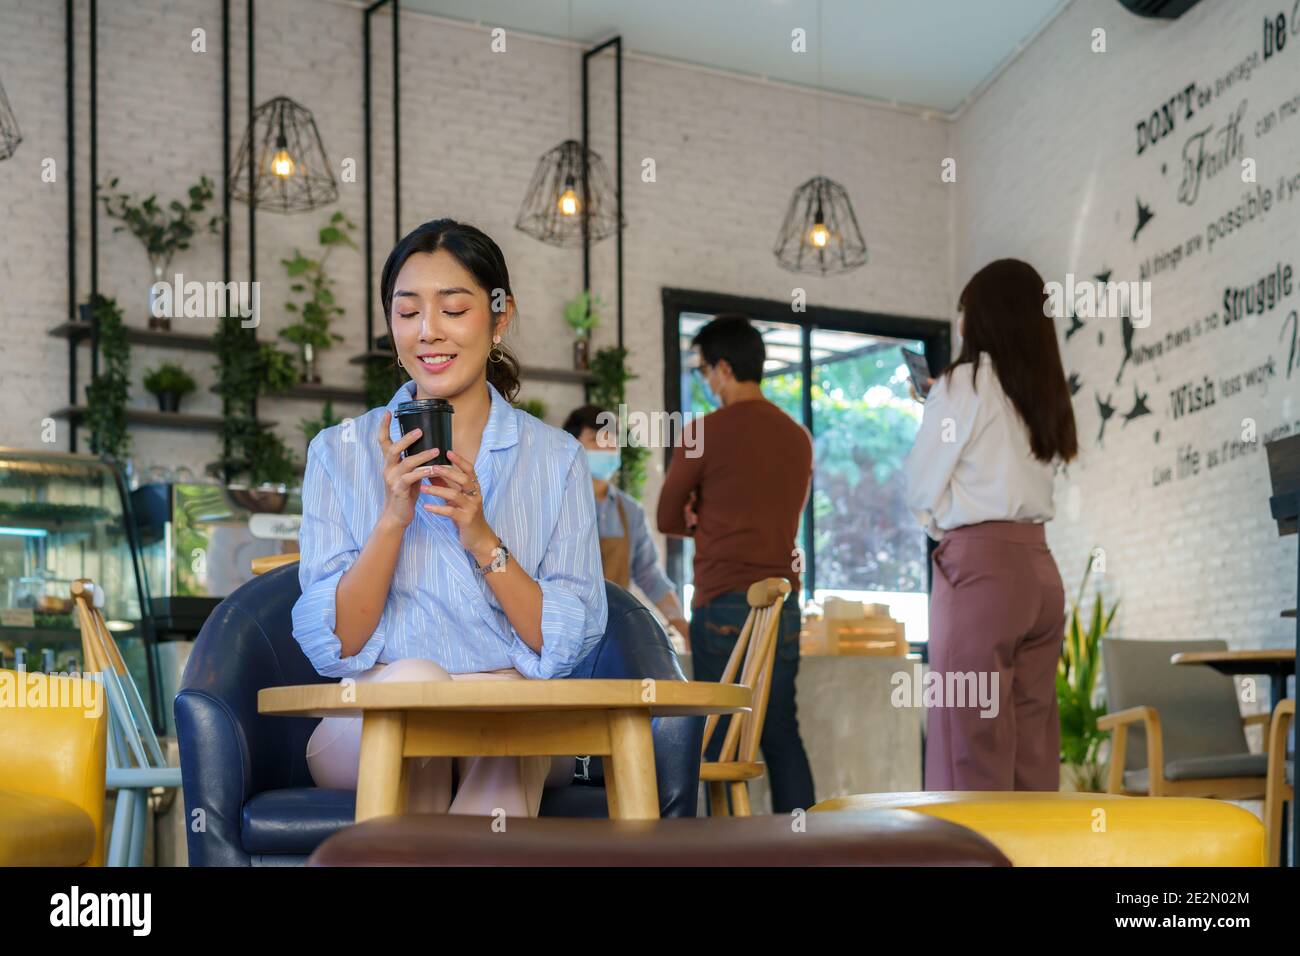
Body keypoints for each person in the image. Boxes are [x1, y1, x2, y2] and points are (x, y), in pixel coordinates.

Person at [291, 219, 607, 817]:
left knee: (508, 716)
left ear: (498, 316)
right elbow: (337, 644)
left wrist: (482, 538)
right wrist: (392, 519)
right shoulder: (338, 452)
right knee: (418, 684)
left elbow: (563, 646)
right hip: (376, 716)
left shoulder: (557, 459)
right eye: (407, 313)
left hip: (509, 717)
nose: (428, 332)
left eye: (453, 309)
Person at [903, 257, 1078, 792]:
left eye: (964, 310)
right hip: (1041, 575)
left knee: (968, 748)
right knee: (1031, 749)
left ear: (982, 317)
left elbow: (918, 486)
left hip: (980, 572)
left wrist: (942, 529)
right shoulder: (1040, 389)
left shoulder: (963, 383)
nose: (959, 322)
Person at [656, 313, 815, 813]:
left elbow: (666, 515)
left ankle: (725, 849)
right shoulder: (797, 436)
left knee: (719, 733)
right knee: (781, 732)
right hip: (782, 606)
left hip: (723, 600)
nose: (706, 382)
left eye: (704, 371)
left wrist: (701, 518)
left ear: (723, 368)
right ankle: (806, 845)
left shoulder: (705, 432)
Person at [562, 404, 691, 644]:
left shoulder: (630, 511)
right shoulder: (555, 503)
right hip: (562, 632)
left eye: (613, 439)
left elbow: (649, 574)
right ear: (571, 445)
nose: (609, 446)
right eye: (597, 439)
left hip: (616, 634)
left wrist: (683, 626)